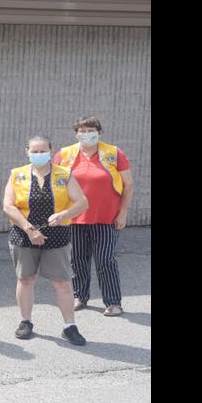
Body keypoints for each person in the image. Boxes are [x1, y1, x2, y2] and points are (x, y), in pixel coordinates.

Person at [2, 135, 89, 345]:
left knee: (62, 282)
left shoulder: (64, 175)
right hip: (23, 235)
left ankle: (70, 326)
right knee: (25, 279)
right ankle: (25, 321)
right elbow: (9, 205)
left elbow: (82, 203)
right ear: (27, 151)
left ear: (51, 151)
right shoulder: (17, 174)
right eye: (35, 151)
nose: (38, 155)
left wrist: (64, 215)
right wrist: (30, 229)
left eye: (43, 151)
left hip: (57, 236)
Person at [57, 116, 135, 317]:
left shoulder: (114, 153)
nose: (86, 134)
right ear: (76, 133)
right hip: (74, 218)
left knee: (105, 260)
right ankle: (80, 296)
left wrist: (123, 212)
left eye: (90, 130)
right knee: (77, 259)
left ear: (99, 132)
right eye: (81, 130)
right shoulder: (65, 154)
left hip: (107, 217)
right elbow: (56, 184)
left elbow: (128, 185)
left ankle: (113, 302)